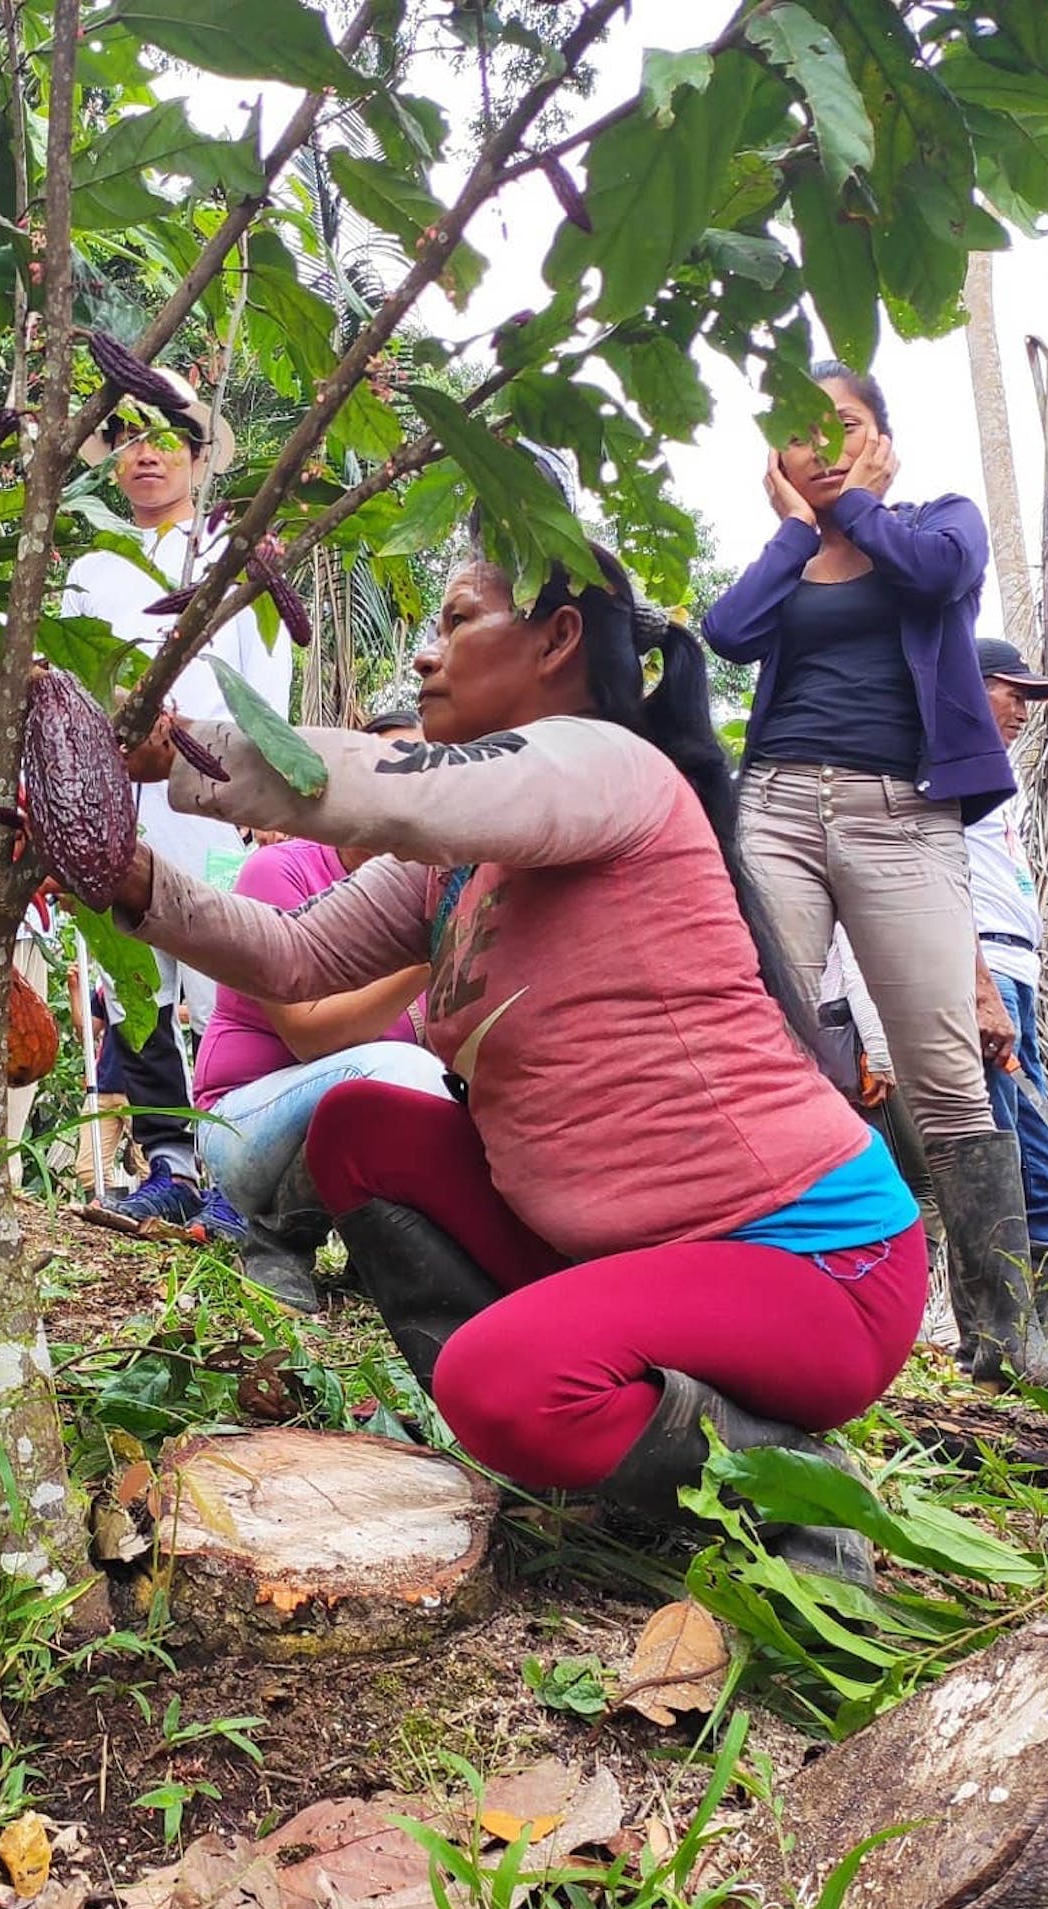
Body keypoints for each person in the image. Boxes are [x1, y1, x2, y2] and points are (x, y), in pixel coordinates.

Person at [95, 538, 934, 1585]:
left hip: (808, 1261)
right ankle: (578, 1434)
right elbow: (294, 955)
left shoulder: (610, 769)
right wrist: (118, 871)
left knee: (501, 1384)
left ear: (557, 638)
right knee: (359, 1126)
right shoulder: (458, 867)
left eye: (455, 622)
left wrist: (189, 750)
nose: (423, 658)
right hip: (628, 1259)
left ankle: (792, 1484)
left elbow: (400, 790)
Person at [700, 361, 1048, 1383]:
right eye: (803, 432)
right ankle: (750, 1297)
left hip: (903, 819)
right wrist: (795, 527)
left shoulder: (939, 523)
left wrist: (854, 502)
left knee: (943, 1073)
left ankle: (1003, 1335)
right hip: (775, 809)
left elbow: (938, 580)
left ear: (881, 440)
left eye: (844, 425)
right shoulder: (790, 554)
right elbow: (727, 633)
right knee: (761, 1039)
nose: (824, 443)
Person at [60, 368, 293, 1241]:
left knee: (228, 977)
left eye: (165, 440)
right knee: (138, 990)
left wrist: (265, 789)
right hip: (114, 803)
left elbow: (263, 677)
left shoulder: (231, 548)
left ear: (199, 459)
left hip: (213, 791)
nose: (146, 455)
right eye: (129, 441)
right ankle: (170, 1163)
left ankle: (240, 1174)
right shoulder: (89, 563)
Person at [193, 709, 445, 1311]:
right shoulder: (279, 869)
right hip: (243, 1129)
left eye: (421, 773)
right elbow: (309, 1036)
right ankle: (280, 1238)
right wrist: (431, 953)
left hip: (351, 1123)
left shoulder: (436, 887)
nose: (401, 785)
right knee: (400, 1073)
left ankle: (381, 1252)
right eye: (384, 769)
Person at [969, 637, 1048, 1288]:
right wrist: (976, 982)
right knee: (998, 1138)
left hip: (1019, 967)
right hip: (985, 964)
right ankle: (994, 1318)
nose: (1026, 711)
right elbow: (937, 876)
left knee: (1040, 1154)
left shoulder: (1003, 780)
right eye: (1014, 692)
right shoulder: (947, 767)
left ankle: (1031, 1312)